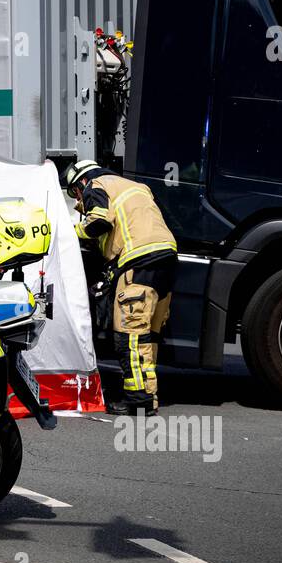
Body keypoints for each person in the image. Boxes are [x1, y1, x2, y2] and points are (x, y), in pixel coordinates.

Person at [63, 160, 177, 416]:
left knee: (130, 335)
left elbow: (99, 223)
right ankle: (148, 395)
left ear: (82, 181)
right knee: (149, 336)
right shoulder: (135, 187)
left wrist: (69, 232)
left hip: (138, 262)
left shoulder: (96, 185)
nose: (78, 198)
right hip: (166, 258)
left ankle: (139, 402)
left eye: (75, 192)